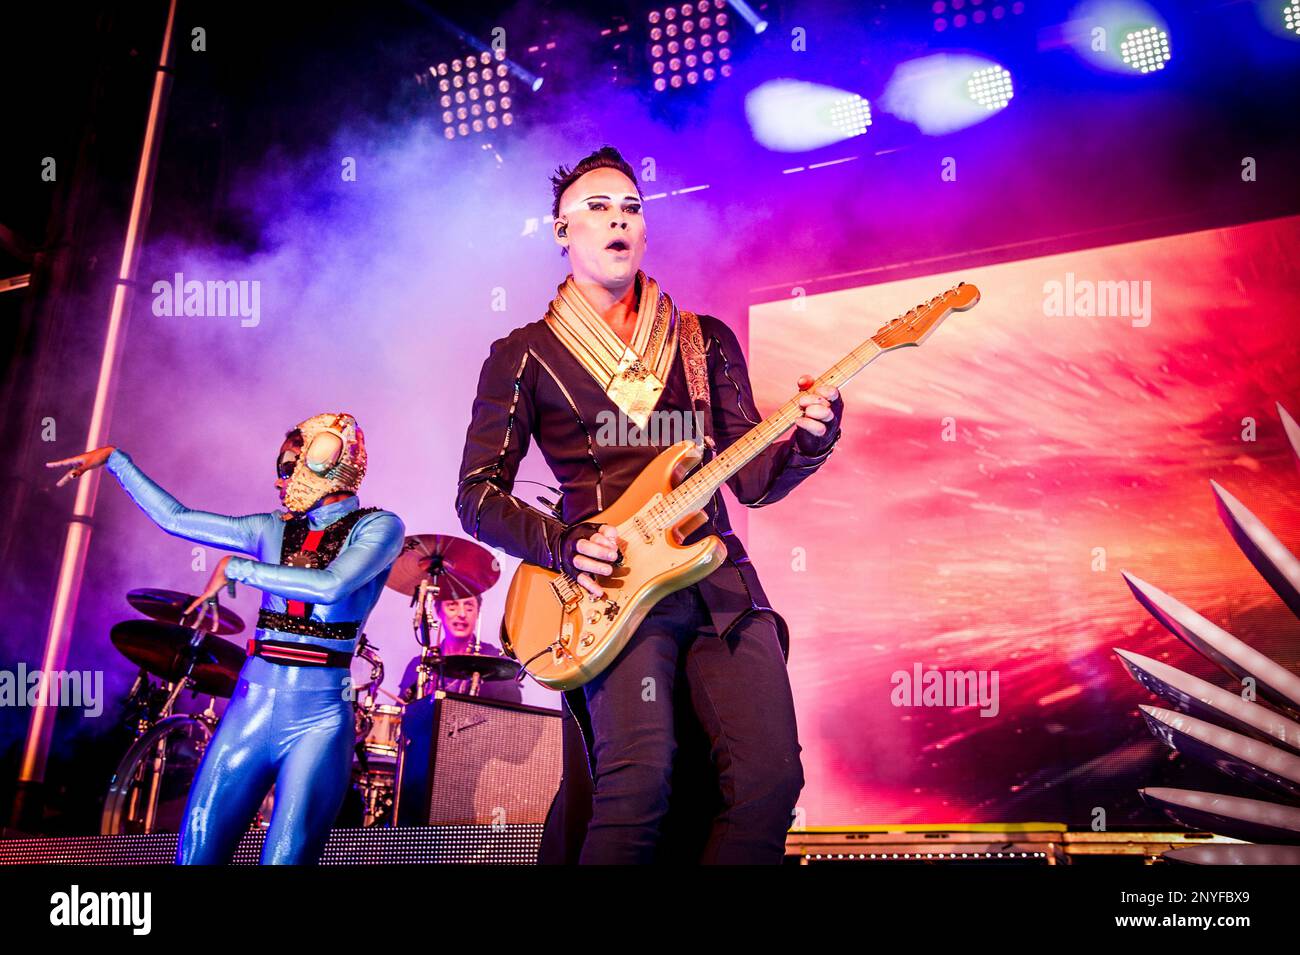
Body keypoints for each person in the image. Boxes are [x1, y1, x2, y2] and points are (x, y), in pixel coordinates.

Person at [455, 146, 843, 864]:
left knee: (770, 781)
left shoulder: (704, 340)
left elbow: (752, 479)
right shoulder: (524, 354)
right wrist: (564, 543)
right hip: (612, 591)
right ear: (560, 231)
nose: (619, 220)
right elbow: (476, 495)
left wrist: (813, 440)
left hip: (721, 588)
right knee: (639, 786)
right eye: (598, 208)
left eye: (633, 208)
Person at [47, 412, 404, 864]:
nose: (279, 480)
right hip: (249, 708)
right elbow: (178, 519)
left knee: (286, 859)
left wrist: (239, 568)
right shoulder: (271, 527)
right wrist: (117, 461)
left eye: (287, 465)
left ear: (322, 462)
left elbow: (332, 584)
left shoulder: (378, 527)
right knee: (196, 850)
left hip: (318, 720)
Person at [398, 592, 522, 703]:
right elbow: (402, 713)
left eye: (469, 608)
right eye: (452, 606)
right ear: (438, 611)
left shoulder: (495, 660)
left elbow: (511, 714)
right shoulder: (420, 664)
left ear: (478, 612)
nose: (462, 614)